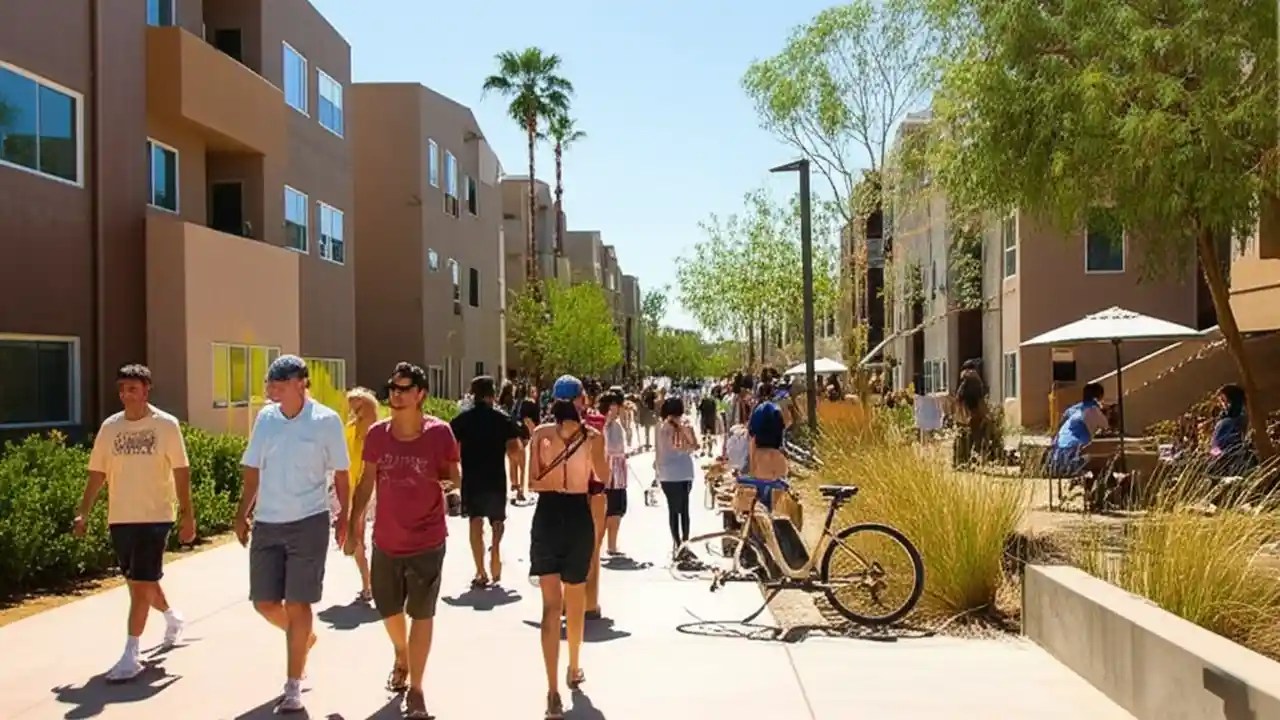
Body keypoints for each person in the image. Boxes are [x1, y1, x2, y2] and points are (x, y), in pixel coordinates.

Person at [235, 355, 350, 714]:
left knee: (299, 603)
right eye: (270, 384)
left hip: (309, 521)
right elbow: (253, 470)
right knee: (264, 602)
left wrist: (345, 516)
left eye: (278, 385)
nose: (270, 391)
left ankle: (293, 684)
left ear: (300, 384)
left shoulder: (326, 421)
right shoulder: (266, 419)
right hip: (268, 523)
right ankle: (303, 637)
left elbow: (343, 474)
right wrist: (242, 513)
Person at [346, 362, 458, 719]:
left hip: (427, 538)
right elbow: (365, 483)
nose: (395, 394)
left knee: (422, 613)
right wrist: (352, 525)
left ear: (420, 394)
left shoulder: (439, 433)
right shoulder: (378, 435)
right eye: (392, 387)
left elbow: (453, 473)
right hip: (387, 540)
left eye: (404, 388)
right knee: (388, 609)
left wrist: (450, 483)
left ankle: (417, 690)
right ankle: (401, 653)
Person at [73, 364, 195, 682]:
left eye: (133, 388)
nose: (127, 394)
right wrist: (84, 511)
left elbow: (181, 471)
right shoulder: (110, 428)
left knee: (140, 585)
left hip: (156, 516)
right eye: (123, 388)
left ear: (146, 390)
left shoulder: (166, 425)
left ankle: (131, 654)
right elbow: (97, 473)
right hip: (121, 517)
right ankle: (172, 618)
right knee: (140, 582)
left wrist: (187, 515)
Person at [528, 375, 612, 719]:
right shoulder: (591, 437)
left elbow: (532, 482)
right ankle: (574, 666)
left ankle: (551, 691)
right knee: (575, 600)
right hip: (577, 515)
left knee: (550, 607)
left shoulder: (539, 436)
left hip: (546, 515)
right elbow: (602, 479)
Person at [451, 375, 523, 587]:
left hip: (472, 477)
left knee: (475, 520)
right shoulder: (502, 419)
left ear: (473, 395)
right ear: (493, 394)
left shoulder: (463, 420)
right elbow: (514, 450)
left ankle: (480, 570)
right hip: (495, 477)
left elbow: (450, 447)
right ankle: (496, 551)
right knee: (497, 520)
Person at [345, 387, 379, 603]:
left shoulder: (379, 432)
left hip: (375, 488)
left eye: (359, 408)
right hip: (352, 486)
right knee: (357, 536)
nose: (356, 413)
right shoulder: (349, 430)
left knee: (373, 538)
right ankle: (367, 583)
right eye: (353, 408)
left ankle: (374, 583)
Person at [655, 395, 699, 556]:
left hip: (667, 473)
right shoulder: (686, 424)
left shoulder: (660, 427)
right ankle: (685, 544)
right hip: (684, 471)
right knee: (685, 509)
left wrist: (657, 471)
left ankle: (677, 543)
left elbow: (658, 451)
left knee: (672, 510)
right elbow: (695, 445)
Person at [1046, 382, 1109, 477]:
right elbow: (1106, 428)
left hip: (1055, 459)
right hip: (1073, 459)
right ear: (1099, 397)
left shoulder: (1072, 410)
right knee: (1103, 452)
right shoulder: (1093, 411)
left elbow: (1057, 430)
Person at [598, 392, 629, 555]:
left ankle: (611, 544)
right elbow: (608, 447)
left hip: (618, 472)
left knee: (616, 510)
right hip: (609, 473)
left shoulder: (616, 425)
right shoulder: (604, 425)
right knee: (611, 511)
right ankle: (604, 545)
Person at [1207, 384, 1256, 477]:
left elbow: (1217, 447)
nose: (1222, 405)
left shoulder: (1227, 422)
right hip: (1244, 464)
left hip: (1229, 466)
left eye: (1224, 401)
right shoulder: (1247, 418)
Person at [747, 382, 789, 482]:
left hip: (762, 458)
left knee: (763, 492)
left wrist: (752, 467)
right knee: (778, 493)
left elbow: (752, 439)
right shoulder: (778, 410)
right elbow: (786, 424)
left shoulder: (757, 411)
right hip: (777, 457)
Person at [698, 389, 719, 457]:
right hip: (711, 420)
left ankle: (703, 451)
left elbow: (699, 408)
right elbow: (715, 411)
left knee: (704, 436)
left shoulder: (704, 399)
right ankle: (709, 452)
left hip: (704, 420)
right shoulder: (713, 401)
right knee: (710, 437)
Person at [638, 384, 658, 450]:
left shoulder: (648, 395)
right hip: (651, 413)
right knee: (654, 430)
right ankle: (652, 444)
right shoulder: (653, 395)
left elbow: (642, 404)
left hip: (648, 413)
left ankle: (648, 443)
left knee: (648, 430)